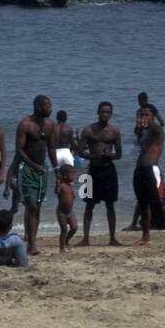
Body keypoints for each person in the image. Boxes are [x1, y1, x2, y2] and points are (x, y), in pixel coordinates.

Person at [14, 95, 55, 254]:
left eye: (50, 106)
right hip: (27, 168)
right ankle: (31, 244)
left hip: (42, 170)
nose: (50, 109)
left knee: (37, 206)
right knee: (30, 205)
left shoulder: (51, 125)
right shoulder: (25, 125)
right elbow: (19, 150)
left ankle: (32, 240)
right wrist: (33, 165)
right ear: (38, 107)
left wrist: (56, 169)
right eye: (47, 106)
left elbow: (51, 149)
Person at [79, 102, 123, 246]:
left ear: (111, 114)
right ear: (97, 112)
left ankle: (112, 238)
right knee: (89, 205)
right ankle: (85, 238)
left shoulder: (115, 131)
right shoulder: (88, 130)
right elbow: (80, 152)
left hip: (109, 170)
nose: (105, 114)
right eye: (102, 112)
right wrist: (93, 156)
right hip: (92, 170)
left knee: (110, 205)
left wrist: (109, 155)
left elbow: (119, 154)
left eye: (107, 112)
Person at [134, 103, 165, 246]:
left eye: (147, 114)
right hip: (140, 171)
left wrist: (149, 122)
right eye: (142, 114)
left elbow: (156, 126)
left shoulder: (156, 130)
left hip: (152, 171)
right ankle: (146, 237)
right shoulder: (145, 133)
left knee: (162, 203)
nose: (144, 117)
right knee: (143, 204)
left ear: (152, 116)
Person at [54, 165, 78, 251]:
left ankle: (67, 240)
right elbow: (57, 192)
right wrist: (57, 185)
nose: (74, 177)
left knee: (74, 228)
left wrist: (73, 194)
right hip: (61, 212)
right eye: (72, 175)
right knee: (64, 230)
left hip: (70, 211)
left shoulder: (70, 186)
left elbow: (72, 196)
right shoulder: (62, 185)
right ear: (65, 176)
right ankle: (62, 247)